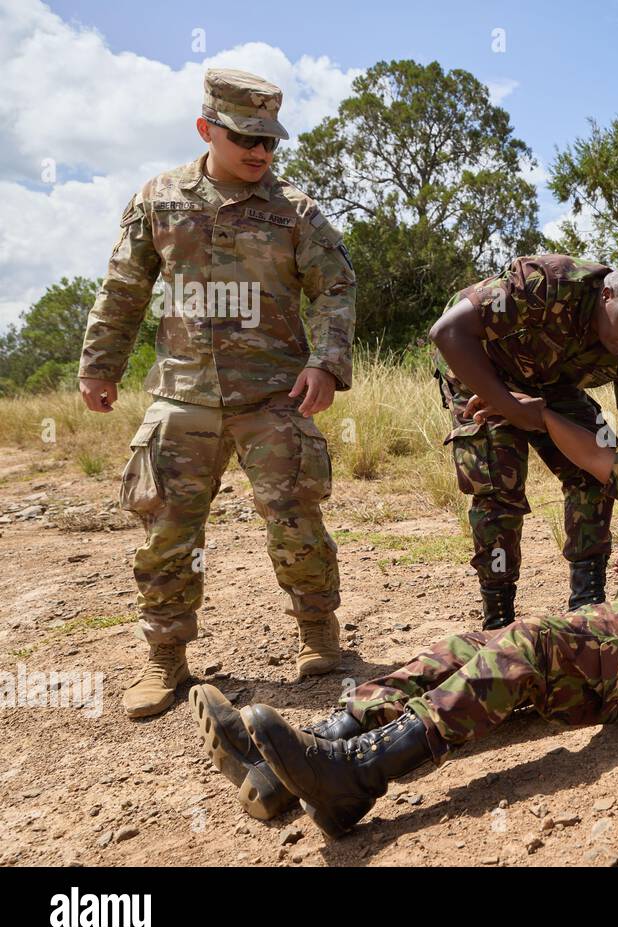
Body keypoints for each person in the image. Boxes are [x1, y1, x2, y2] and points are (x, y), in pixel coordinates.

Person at [191, 409, 618, 833]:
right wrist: (524, 408)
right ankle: (303, 756)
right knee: (475, 645)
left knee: (532, 641)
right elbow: (593, 457)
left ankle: (356, 771)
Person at [79, 68, 356, 717]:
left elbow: (337, 287)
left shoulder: (295, 211)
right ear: (207, 129)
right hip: (184, 395)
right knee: (167, 529)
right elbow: (123, 289)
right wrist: (100, 365)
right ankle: (164, 657)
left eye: (270, 141)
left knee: (297, 518)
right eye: (245, 139)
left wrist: (327, 361)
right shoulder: (160, 199)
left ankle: (319, 634)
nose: (260, 153)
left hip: (273, 394)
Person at [429, 255, 618, 629]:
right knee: (499, 484)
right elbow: (447, 332)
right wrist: (511, 408)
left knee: (596, 464)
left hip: (551, 386)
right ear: (607, 294)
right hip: (482, 368)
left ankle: (587, 604)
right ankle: (498, 618)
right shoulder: (547, 284)